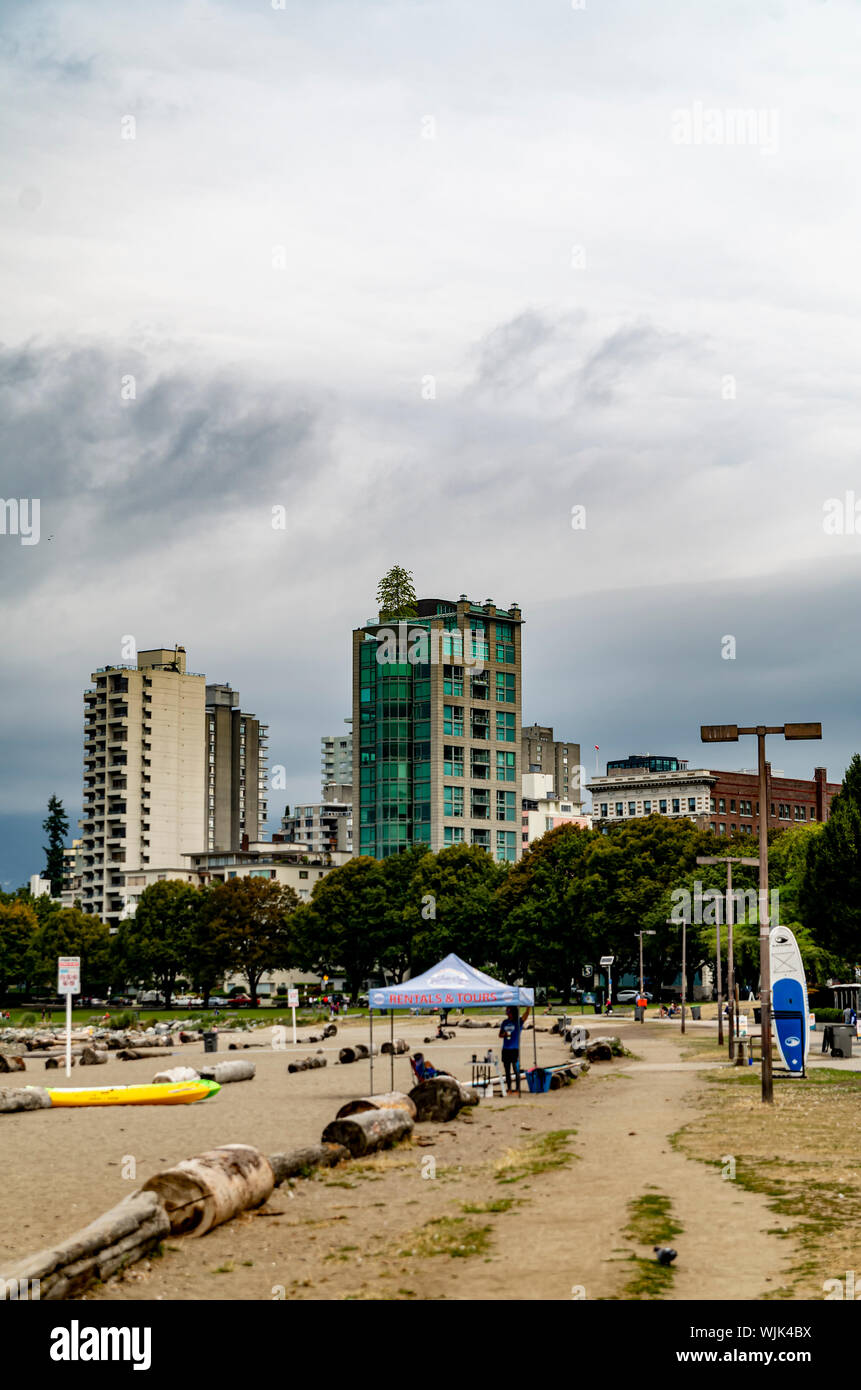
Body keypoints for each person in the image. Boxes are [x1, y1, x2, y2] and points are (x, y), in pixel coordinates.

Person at [498, 1005, 530, 1093]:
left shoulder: (518, 1021)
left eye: (508, 1011)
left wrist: (528, 1006)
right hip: (505, 1049)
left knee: (516, 1070)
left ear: (512, 1012)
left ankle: (517, 1089)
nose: (507, 1013)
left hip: (514, 1049)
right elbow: (500, 1035)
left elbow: (526, 1014)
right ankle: (509, 1088)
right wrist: (504, 1035)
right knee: (507, 1070)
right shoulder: (505, 1022)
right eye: (506, 1011)